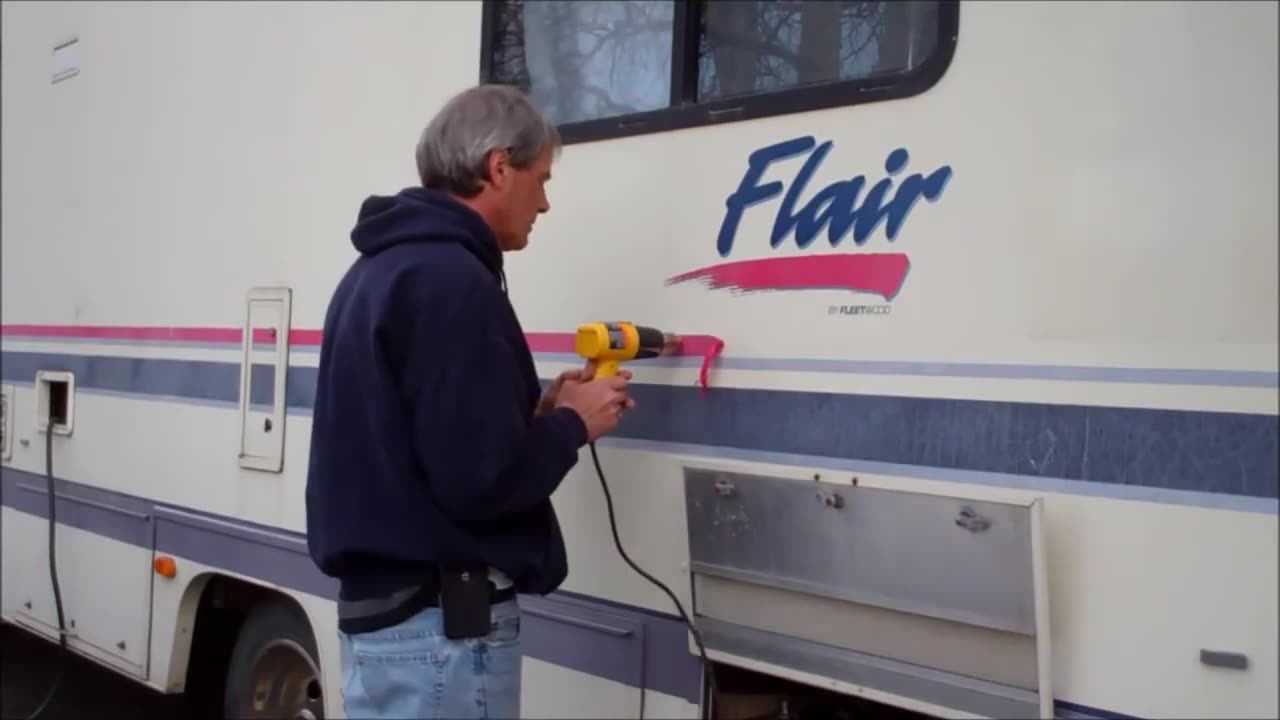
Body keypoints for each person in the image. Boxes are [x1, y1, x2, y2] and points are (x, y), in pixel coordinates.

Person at [304, 83, 635, 719]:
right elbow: (477, 483)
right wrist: (572, 425)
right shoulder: (452, 280)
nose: (545, 202)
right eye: (540, 179)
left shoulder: (379, 270)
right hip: (443, 639)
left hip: (390, 630)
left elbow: (424, 448)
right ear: (498, 167)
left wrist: (534, 420)